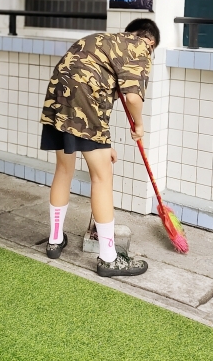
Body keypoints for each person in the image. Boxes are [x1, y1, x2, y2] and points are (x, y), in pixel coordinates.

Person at [39, 18, 160, 277]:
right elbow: (132, 98)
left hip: (59, 96)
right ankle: (108, 258)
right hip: (85, 102)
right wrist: (139, 125)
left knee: (63, 169)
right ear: (150, 40)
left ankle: (54, 240)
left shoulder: (103, 41)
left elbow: (95, 90)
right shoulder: (140, 46)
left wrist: (107, 144)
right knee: (102, 177)